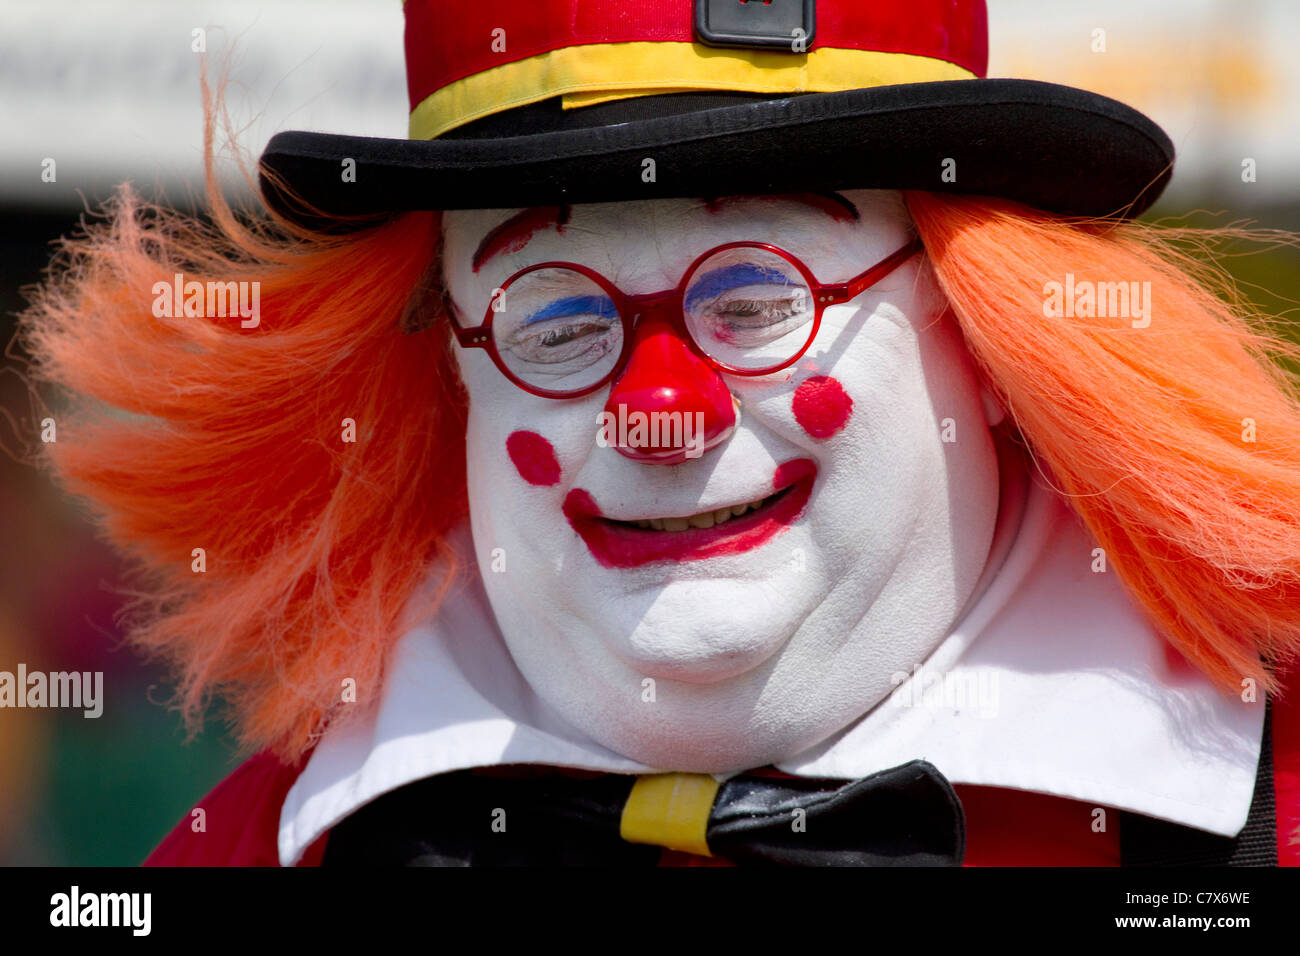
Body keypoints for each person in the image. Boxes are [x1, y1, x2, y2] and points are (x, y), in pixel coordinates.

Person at [20, 0, 1300, 866]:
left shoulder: (1265, 816)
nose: (659, 414)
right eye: (554, 318)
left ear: (988, 339)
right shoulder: (258, 848)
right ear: (444, 371)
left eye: (755, 300)